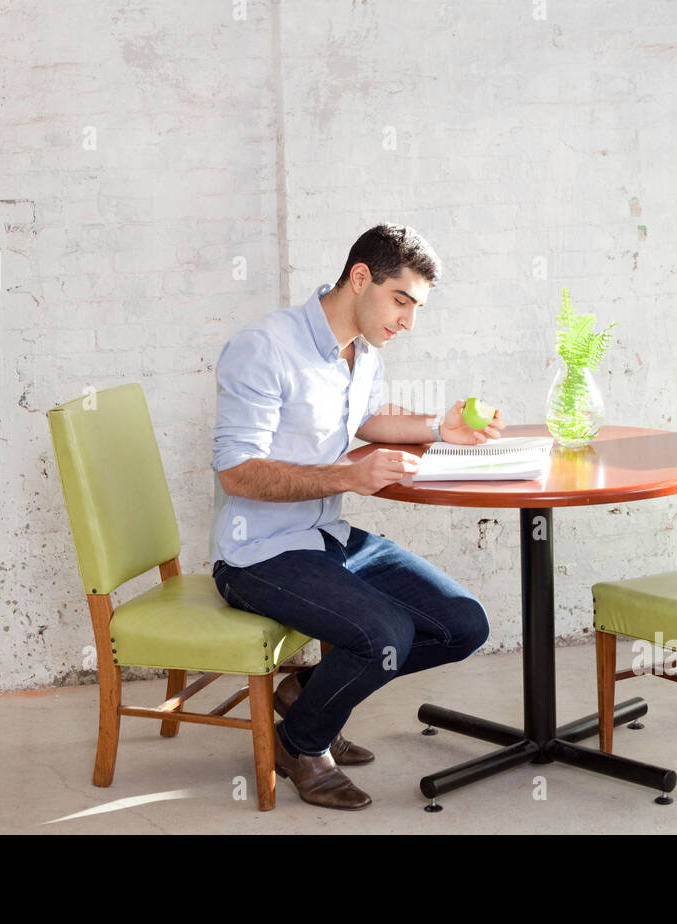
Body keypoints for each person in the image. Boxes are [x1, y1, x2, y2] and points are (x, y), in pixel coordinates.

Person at [208, 224, 505, 810]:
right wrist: (347, 476)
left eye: (416, 308)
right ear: (360, 277)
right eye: (401, 301)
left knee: (462, 625)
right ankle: (300, 745)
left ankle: (303, 697)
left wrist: (439, 430)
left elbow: (365, 417)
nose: (407, 322)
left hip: (327, 536)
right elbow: (236, 471)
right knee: (384, 635)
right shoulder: (264, 347)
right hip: (257, 553)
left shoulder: (363, 351)